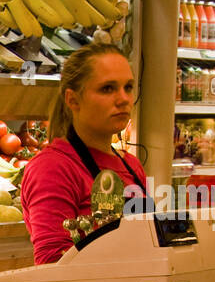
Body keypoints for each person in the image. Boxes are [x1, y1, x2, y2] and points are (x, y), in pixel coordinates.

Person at [19, 43, 146, 264]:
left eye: (128, 87)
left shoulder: (132, 165)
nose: (123, 99)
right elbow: (53, 263)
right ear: (73, 100)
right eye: (107, 88)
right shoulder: (53, 168)